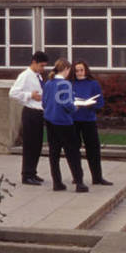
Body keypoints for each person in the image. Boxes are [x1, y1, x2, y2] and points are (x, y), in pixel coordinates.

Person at [42, 58, 88, 192]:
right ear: (66, 69)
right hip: (63, 121)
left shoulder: (48, 83)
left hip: (50, 120)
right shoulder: (65, 84)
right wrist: (75, 108)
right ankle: (79, 182)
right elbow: (66, 103)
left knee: (54, 153)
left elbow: (44, 102)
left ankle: (57, 182)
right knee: (72, 152)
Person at [8, 51, 49, 186]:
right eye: (41, 66)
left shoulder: (38, 76)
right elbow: (13, 93)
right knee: (30, 145)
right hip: (30, 112)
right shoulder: (25, 75)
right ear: (34, 62)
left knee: (37, 145)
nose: (43, 69)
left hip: (39, 112)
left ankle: (33, 172)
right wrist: (29, 95)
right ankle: (26, 175)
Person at [70, 60, 111, 185]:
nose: (79, 73)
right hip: (74, 120)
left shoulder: (93, 84)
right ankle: (77, 176)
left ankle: (97, 177)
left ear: (86, 70)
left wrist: (90, 105)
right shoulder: (69, 84)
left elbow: (100, 102)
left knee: (93, 149)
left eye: (82, 70)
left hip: (89, 119)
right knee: (73, 149)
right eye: (77, 70)